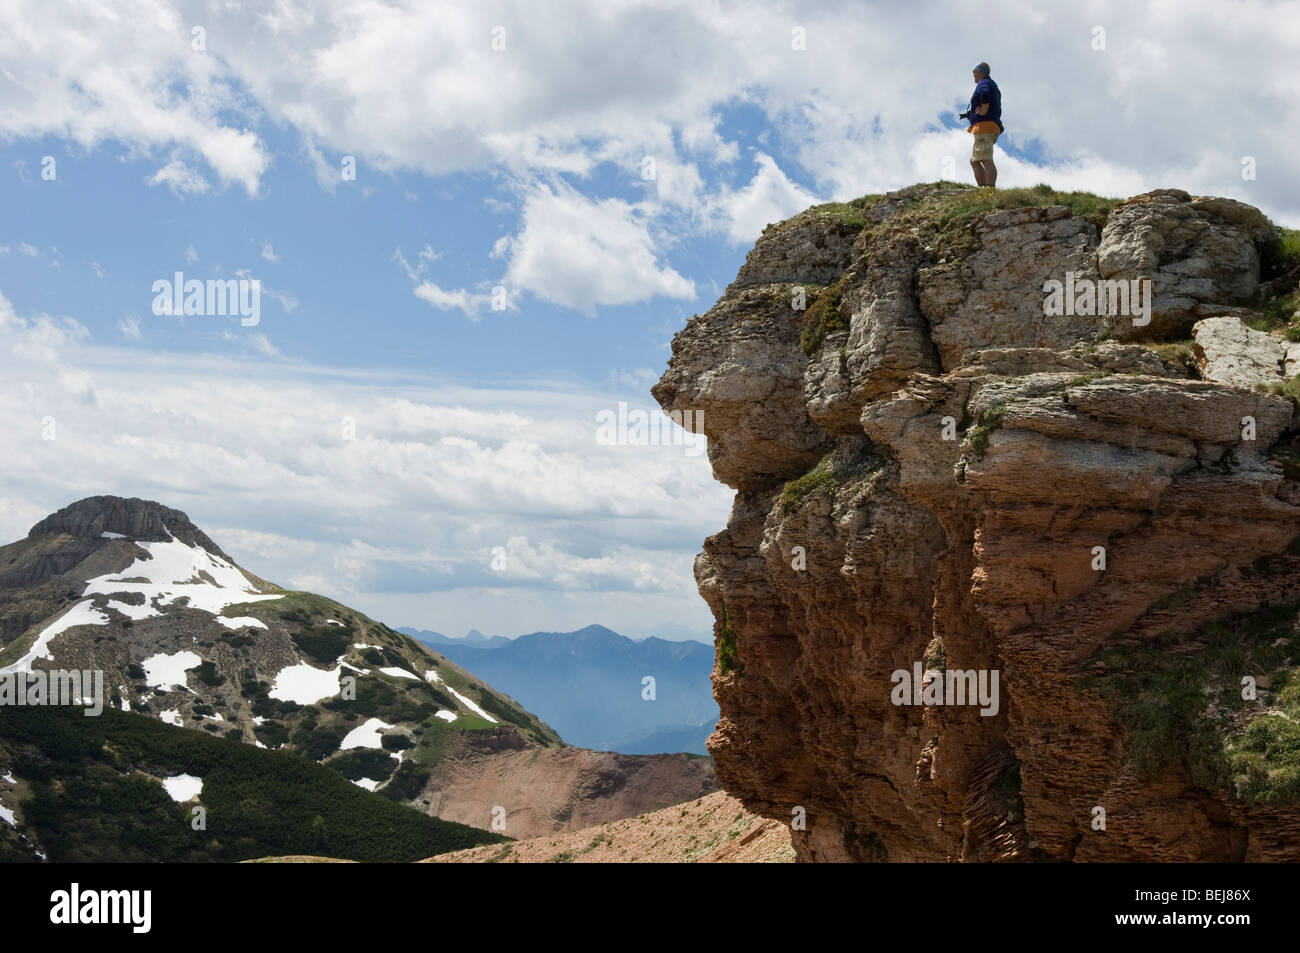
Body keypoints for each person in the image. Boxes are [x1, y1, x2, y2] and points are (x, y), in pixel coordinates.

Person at [964, 62, 1003, 188]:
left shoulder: (983, 83)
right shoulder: (993, 85)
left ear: (980, 72)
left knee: (985, 159)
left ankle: (988, 190)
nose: (973, 74)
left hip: (984, 126)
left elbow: (984, 93)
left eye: (974, 71)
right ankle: (983, 189)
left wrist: (984, 110)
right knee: (975, 160)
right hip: (990, 126)